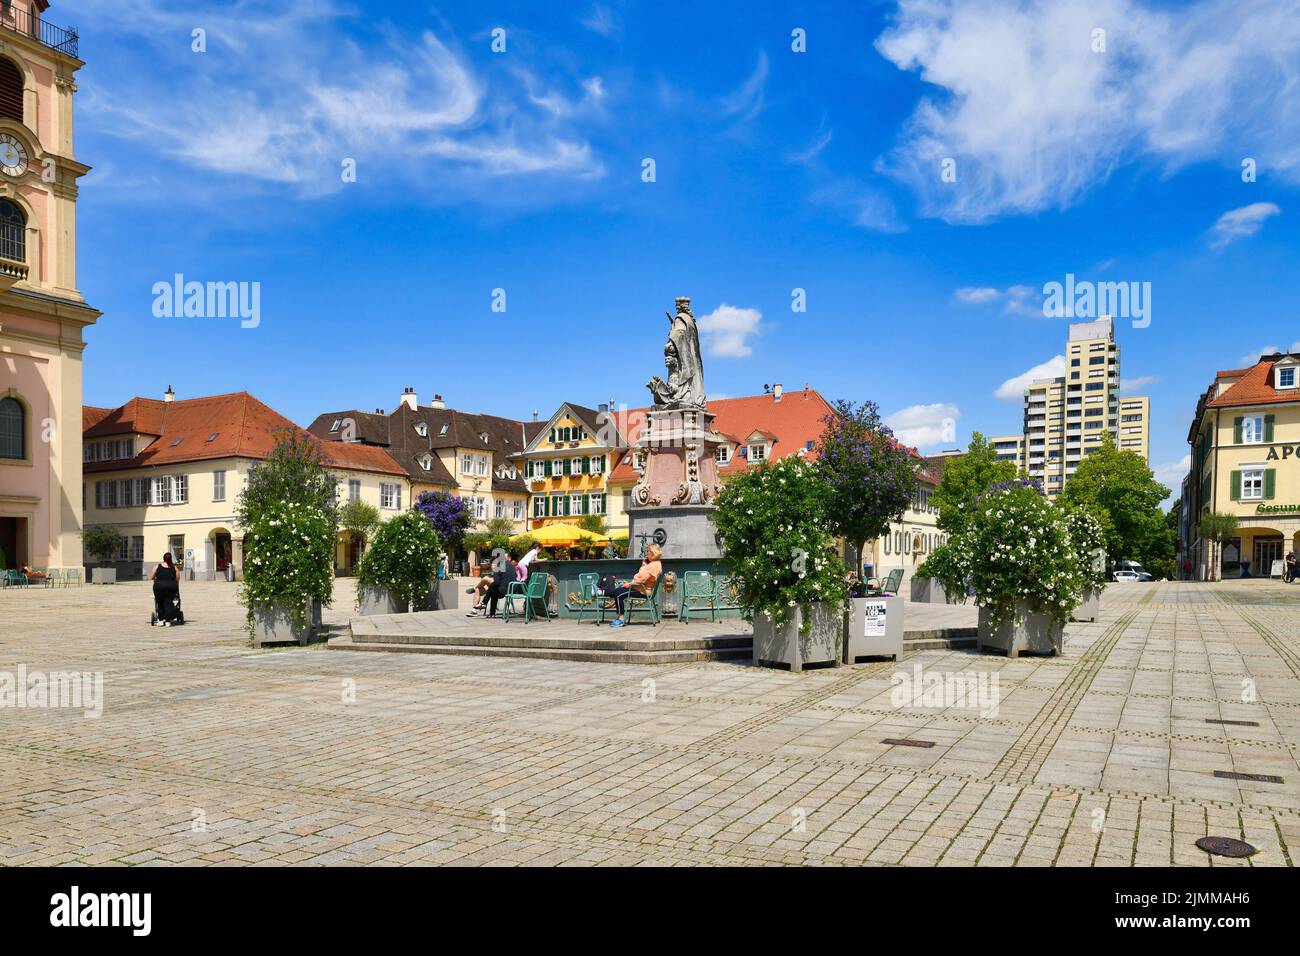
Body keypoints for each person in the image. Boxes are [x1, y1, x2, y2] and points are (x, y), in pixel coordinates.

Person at [608, 544, 662, 628]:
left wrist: (629, 584)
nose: (647, 553)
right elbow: (642, 577)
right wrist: (644, 565)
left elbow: (641, 580)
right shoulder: (654, 564)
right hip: (640, 588)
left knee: (618, 594)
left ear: (653, 553)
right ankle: (603, 592)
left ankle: (621, 619)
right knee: (618, 590)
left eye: (648, 551)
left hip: (643, 591)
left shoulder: (653, 565)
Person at [150, 552, 181, 626]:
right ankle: (168, 621)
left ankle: (160, 620)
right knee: (168, 603)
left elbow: (151, 577)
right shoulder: (174, 567)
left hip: (159, 586)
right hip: (171, 587)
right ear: (171, 559)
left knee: (160, 603)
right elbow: (177, 579)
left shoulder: (157, 566)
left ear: (163, 558)